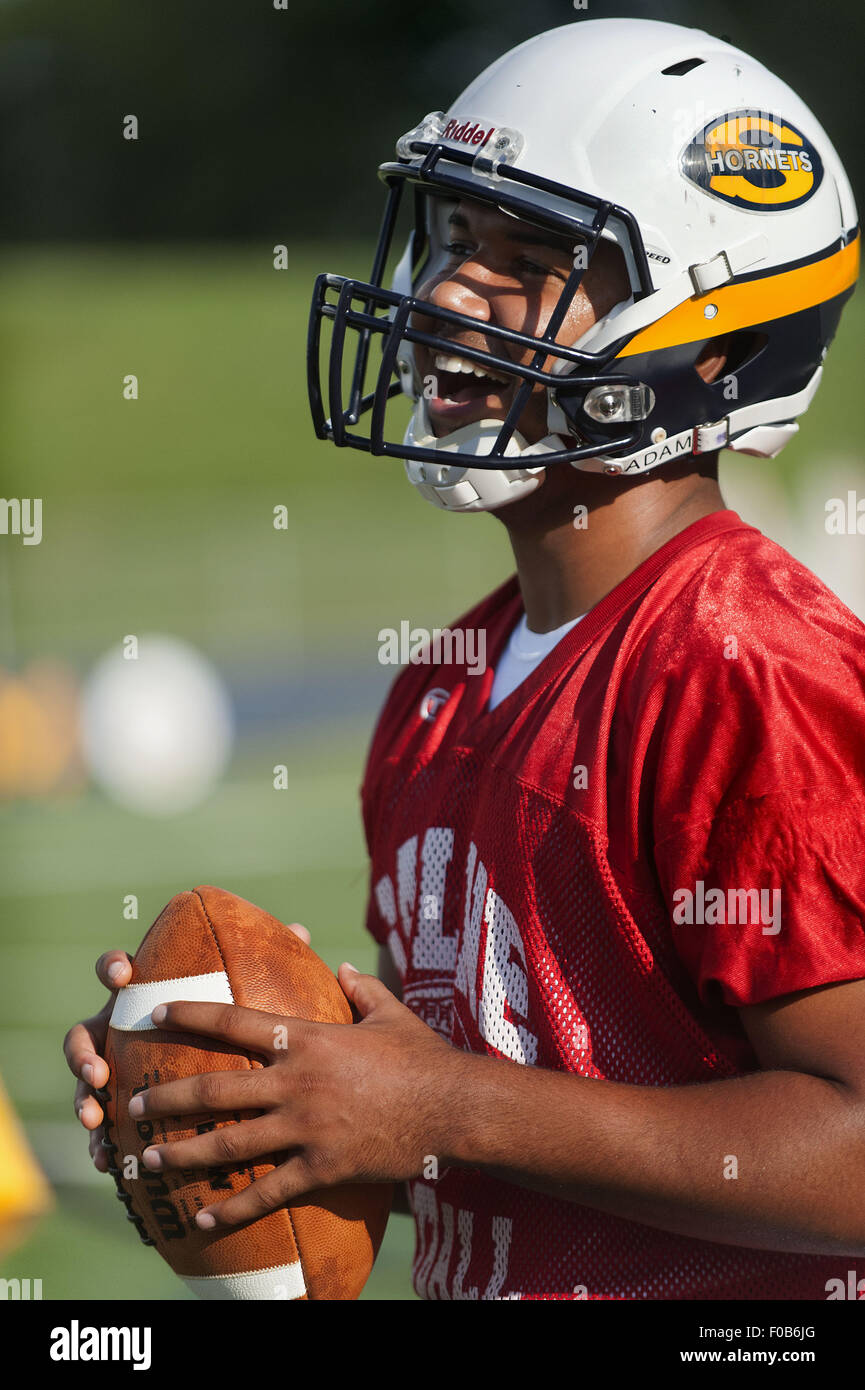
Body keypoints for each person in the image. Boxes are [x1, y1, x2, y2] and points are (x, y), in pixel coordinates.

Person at [65, 19, 865, 1300]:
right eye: (453, 240)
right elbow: (470, 1101)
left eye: (530, 262)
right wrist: (249, 1095)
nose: (446, 293)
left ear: (710, 340)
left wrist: (441, 1108)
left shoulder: (748, 663)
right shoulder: (438, 687)